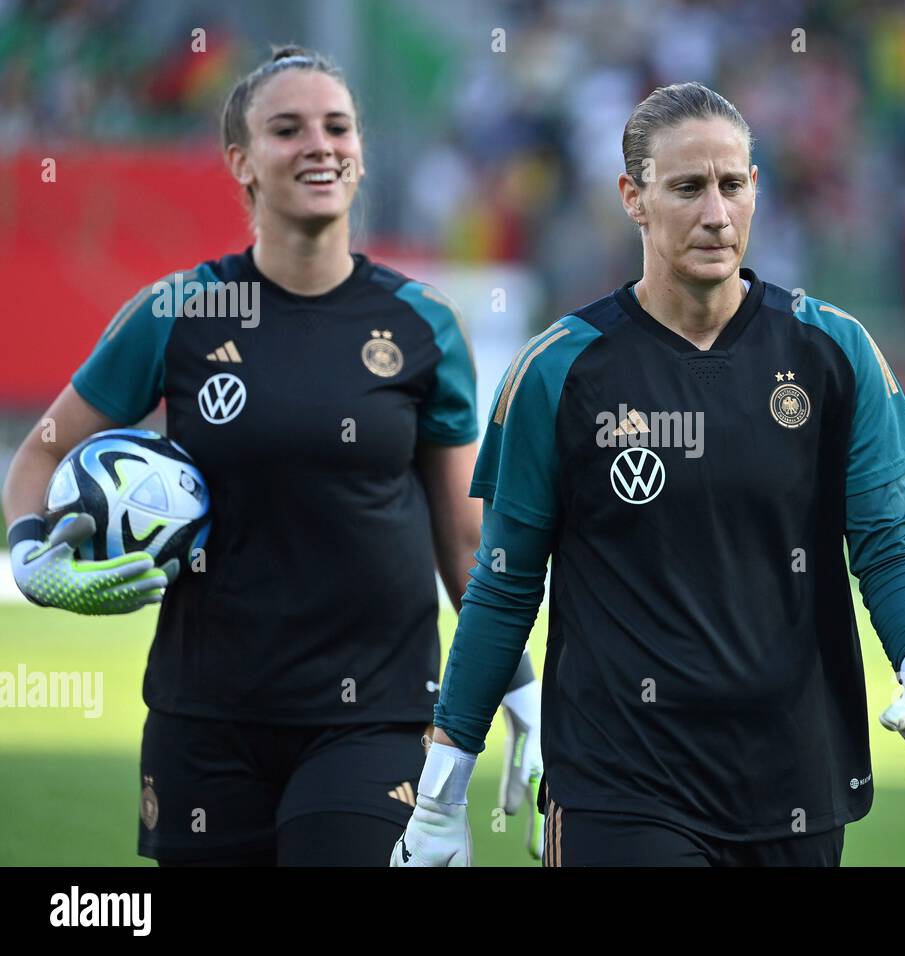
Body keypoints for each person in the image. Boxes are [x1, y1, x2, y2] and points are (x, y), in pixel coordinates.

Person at [392, 82, 905, 868]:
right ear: (634, 197)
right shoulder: (560, 370)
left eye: (733, 185)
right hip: (619, 789)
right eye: (688, 187)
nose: (716, 213)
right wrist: (442, 788)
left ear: (756, 189)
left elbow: (886, 543)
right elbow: (504, 584)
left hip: (793, 782)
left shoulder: (832, 353)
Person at [2, 46, 542, 866]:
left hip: (374, 716)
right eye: (287, 130)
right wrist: (31, 555)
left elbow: (463, 541)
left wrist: (522, 691)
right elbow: (39, 454)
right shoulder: (178, 311)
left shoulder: (421, 324)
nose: (319, 146)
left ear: (360, 151)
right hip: (205, 718)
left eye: (338, 127)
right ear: (241, 162)